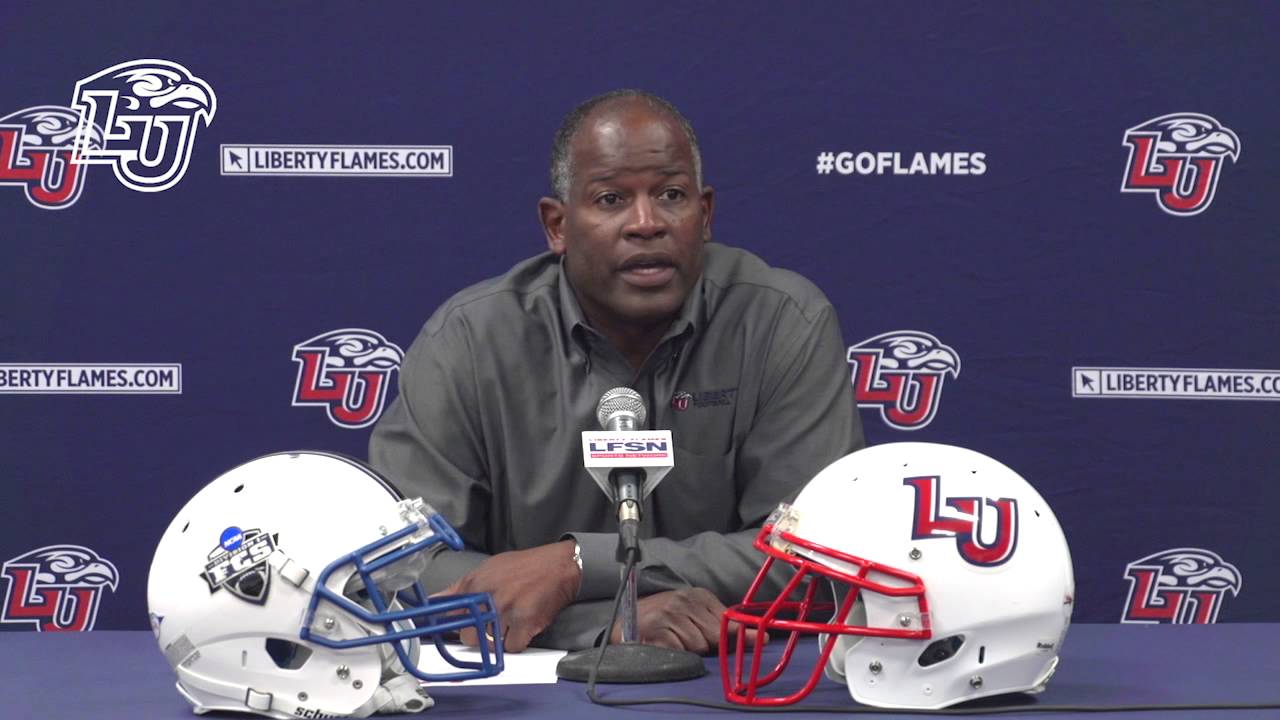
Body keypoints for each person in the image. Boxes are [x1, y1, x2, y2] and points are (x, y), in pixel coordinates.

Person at [369, 89, 864, 653]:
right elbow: (400, 569)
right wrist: (605, 625)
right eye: (610, 200)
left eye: (671, 195)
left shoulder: (780, 322)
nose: (646, 223)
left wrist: (578, 565)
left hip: (735, 687)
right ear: (557, 226)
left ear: (704, 215)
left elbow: (816, 560)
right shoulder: (471, 340)